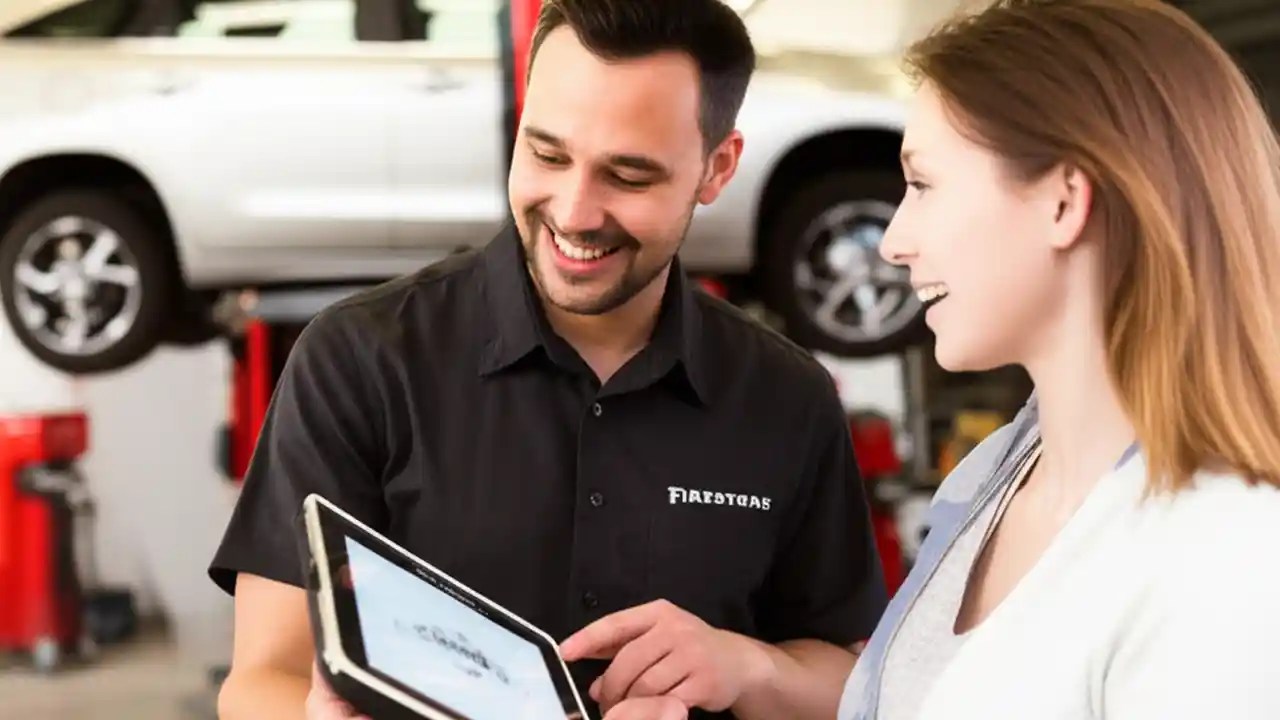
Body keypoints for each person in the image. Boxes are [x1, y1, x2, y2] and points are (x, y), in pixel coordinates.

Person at [209, 1, 888, 719]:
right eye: (547, 154)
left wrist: (750, 667)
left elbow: (850, 684)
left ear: (716, 168)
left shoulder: (787, 398)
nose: (573, 212)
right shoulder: (361, 361)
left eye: (628, 177)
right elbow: (261, 681)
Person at [836, 1, 1280, 719]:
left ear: (1064, 203)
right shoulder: (990, 479)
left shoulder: (1229, 560)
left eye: (922, 186)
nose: (892, 241)